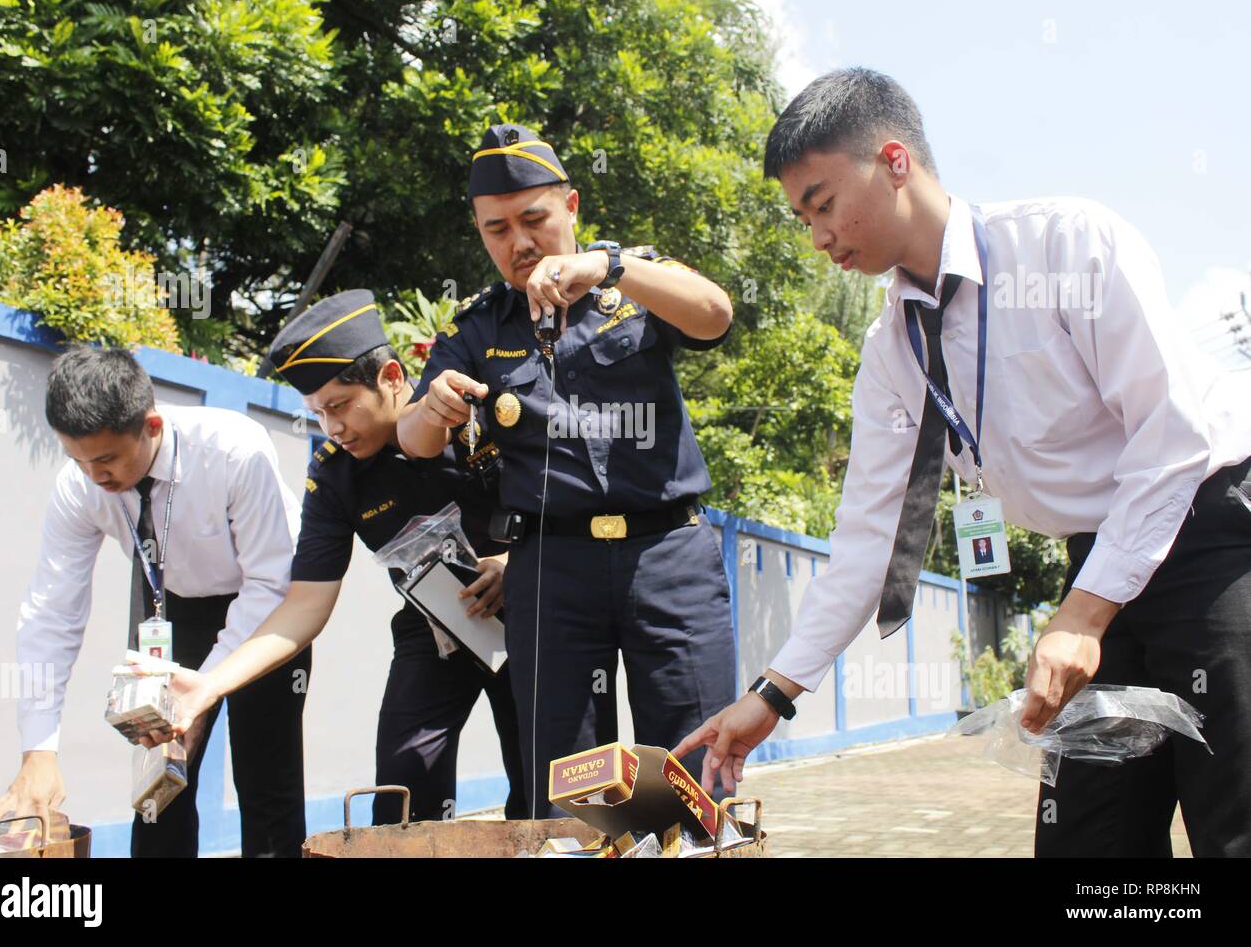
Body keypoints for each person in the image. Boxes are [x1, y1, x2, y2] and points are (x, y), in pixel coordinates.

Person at [674, 67, 1251, 857]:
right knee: (1088, 842)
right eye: (802, 217)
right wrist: (772, 695)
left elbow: (1172, 433)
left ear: (894, 161)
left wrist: (1083, 614)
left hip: (1213, 540)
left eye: (823, 203)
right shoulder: (893, 352)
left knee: (1234, 826)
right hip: (1100, 559)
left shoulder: (1067, 245)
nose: (818, 237)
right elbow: (865, 543)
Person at [396, 124, 737, 817]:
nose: (518, 242)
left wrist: (610, 267)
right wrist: (431, 409)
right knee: (573, 791)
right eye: (497, 230)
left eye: (534, 219)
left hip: (668, 554)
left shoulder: (637, 280)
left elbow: (715, 316)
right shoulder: (479, 327)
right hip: (553, 571)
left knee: (695, 774)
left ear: (571, 208)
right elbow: (413, 440)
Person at [150, 290, 527, 825]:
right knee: (402, 784)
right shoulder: (333, 479)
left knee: (541, 779)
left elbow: (563, 505)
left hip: (532, 613)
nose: (332, 428)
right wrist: (209, 687)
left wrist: (514, 565)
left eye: (340, 405)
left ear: (392, 377)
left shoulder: (466, 414)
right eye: (318, 413)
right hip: (438, 627)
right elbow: (305, 604)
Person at [0, 346, 308, 857]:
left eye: (106, 459)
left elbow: (270, 583)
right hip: (166, 607)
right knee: (159, 787)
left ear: (151, 425)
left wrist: (204, 691)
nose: (93, 476)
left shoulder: (234, 449)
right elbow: (51, 611)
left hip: (262, 608)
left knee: (266, 779)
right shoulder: (78, 486)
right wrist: (38, 749)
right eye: (77, 459)